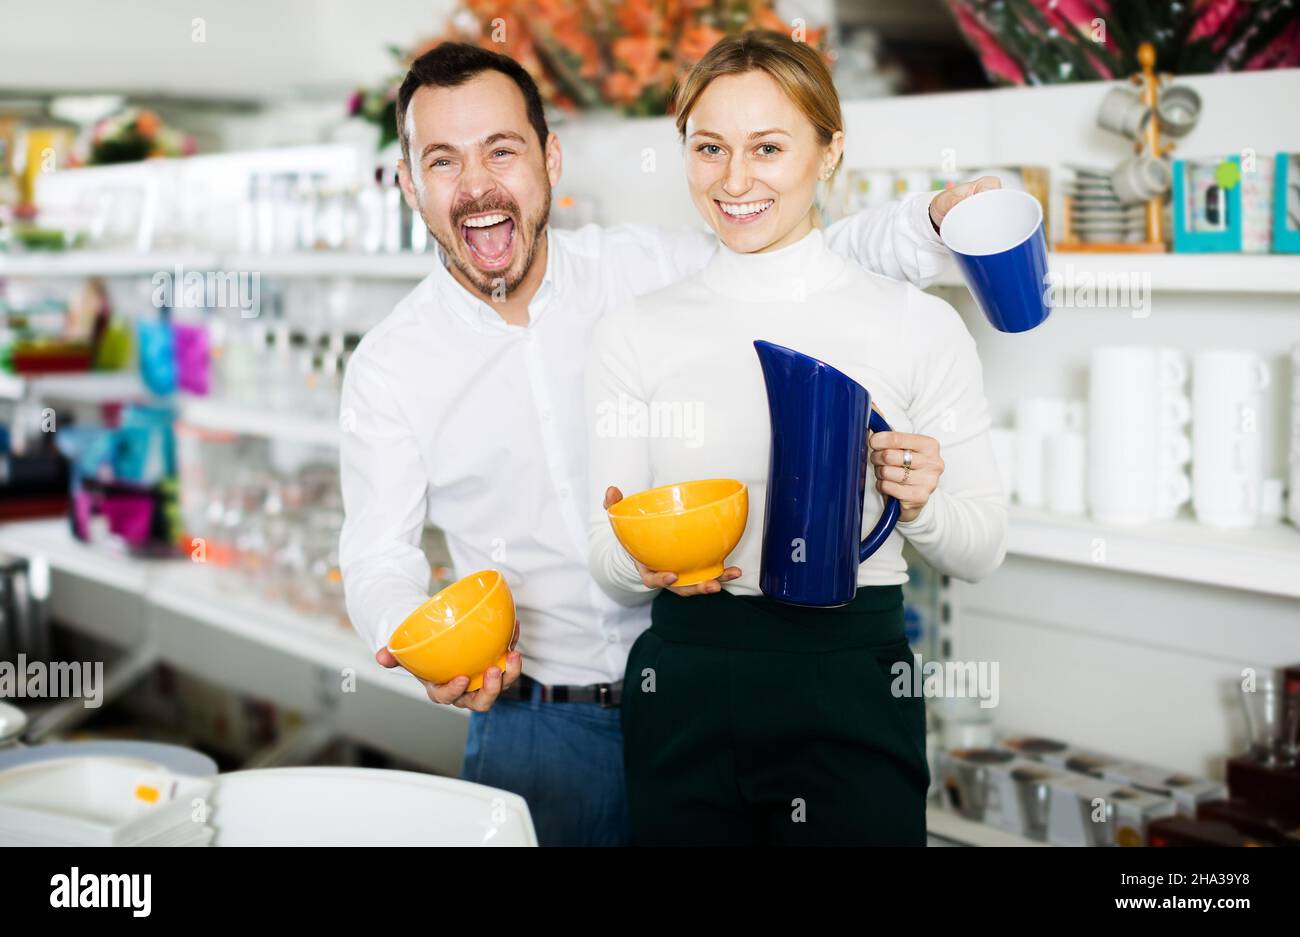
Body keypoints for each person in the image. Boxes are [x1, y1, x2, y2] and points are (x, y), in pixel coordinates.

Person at [339, 40, 997, 847]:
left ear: (549, 158)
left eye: (501, 150)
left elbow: (805, 256)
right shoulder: (389, 364)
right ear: (409, 183)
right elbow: (376, 556)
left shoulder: (644, 269)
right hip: (541, 723)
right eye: (442, 161)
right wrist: (426, 646)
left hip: (694, 681)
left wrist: (931, 221)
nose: (477, 186)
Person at [586, 31, 1007, 846]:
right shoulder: (634, 332)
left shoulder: (918, 325)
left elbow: (981, 548)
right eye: (709, 148)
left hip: (850, 675)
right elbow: (606, 562)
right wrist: (639, 557)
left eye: (768, 147)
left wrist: (918, 504)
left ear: (830, 150)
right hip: (684, 679)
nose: (734, 180)